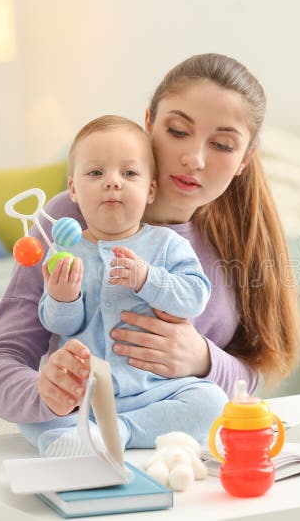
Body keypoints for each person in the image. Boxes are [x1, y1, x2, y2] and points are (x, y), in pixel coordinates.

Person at [0, 53, 300, 449]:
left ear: (244, 159)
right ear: (149, 124)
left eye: (221, 144)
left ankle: (115, 435)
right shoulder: (71, 219)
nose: (194, 159)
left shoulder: (242, 233)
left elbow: (251, 381)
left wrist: (202, 359)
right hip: (82, 434)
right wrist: (46, 391)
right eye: (178, 130)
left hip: (177, 447)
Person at [21, 114, 226, 456]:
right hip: (85, 394)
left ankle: (119, 432)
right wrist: (63, 297)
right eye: (96, 173)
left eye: (129, 173)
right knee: (32, 410)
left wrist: (147, 278)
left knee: (213, 402)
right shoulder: (65, 250)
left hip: (156, 391)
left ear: (150, 190)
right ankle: (78, 436)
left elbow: (193, 298)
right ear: (73, 189)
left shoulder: (166, 244)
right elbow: (59, 326)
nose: (112, 182)